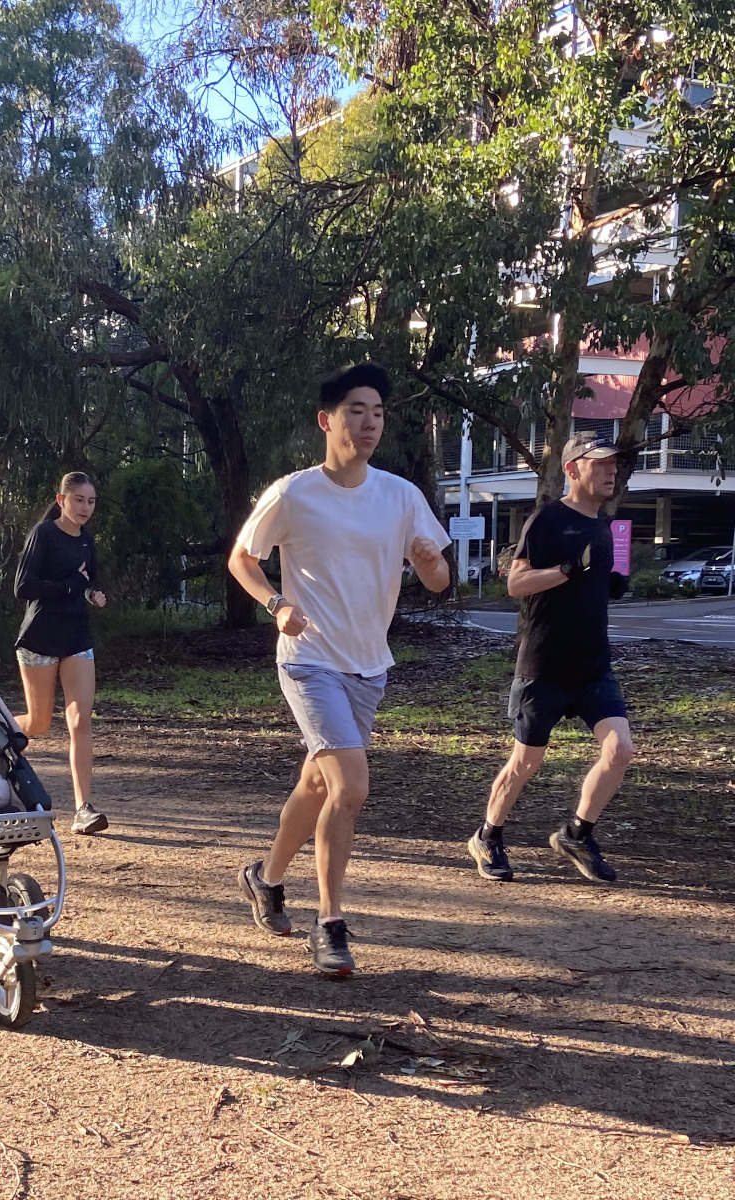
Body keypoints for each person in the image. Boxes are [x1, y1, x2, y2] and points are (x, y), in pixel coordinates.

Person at [228, 364, 451, 977]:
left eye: (377, 411)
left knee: (321, 784)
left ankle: (265, 877)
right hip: (309, 661)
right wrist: (275, 604)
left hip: (368, 666)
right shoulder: (294, 492)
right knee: (351, 786)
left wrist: (431, 562)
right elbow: (243, 559)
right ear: (327, 420)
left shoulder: (402, 496)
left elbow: (439, 581)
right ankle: (330, 925)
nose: (369, 422)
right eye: (357, 410)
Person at [467, 432, 633, 886]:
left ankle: (577, 834)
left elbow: (590, 582)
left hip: (593, 665)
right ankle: (487, 835)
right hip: (544, 668)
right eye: (599, 464)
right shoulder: (547, 520)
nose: (610, 471)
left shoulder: (601, 522)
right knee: (526, 763)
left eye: (613, 465)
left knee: (620, 749)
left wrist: (609, 583)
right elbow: (516, 584)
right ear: (572, 468)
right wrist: (564, 571)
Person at [12, 471, 109, 836]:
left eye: (91, 501)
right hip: (39, 637)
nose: (85, 507)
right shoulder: (44, 535)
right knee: (38, 723)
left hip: (76, 638)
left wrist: (93, 595)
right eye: (79, 500)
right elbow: (24, 587)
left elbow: (88, 585)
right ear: (61, 500)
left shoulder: (87, 543)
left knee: (80, 721)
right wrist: (72, 587)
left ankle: (83, 809)